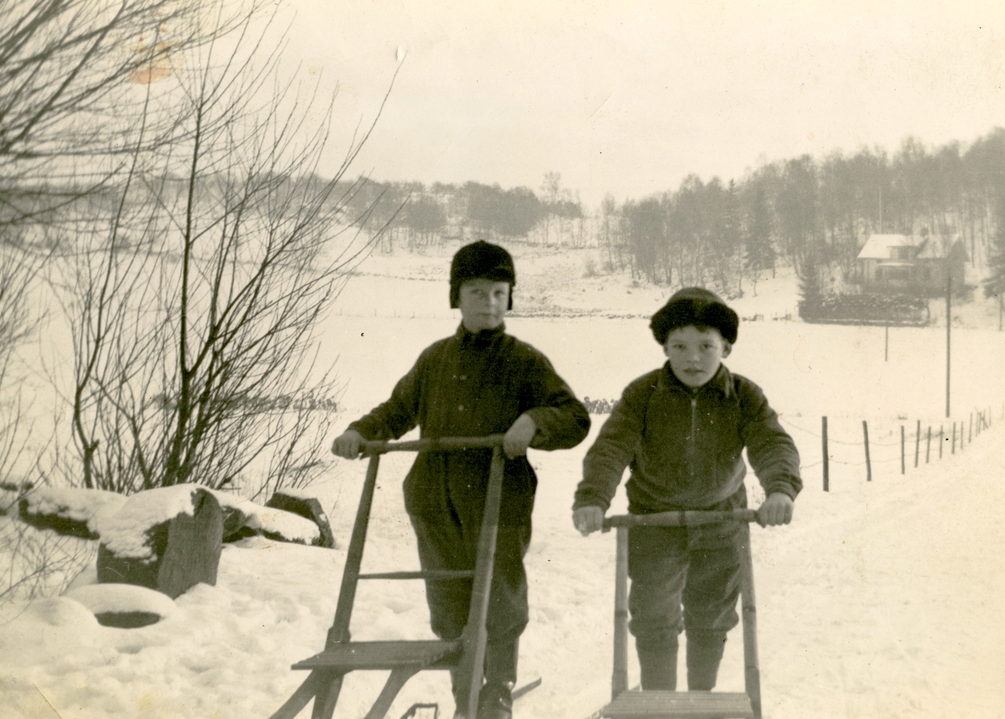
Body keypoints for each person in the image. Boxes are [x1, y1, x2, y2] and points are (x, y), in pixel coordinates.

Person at [331, 240, 591, 719]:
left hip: (499, 500)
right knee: (448, 601)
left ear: (509, 297)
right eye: (476, 292)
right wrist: (360, 432)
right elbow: (399, 410)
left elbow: (574, 417)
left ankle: (497, 691)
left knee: (500, 597)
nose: (488, 303)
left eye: (498, 292)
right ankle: (462, 695)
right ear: (456, 296)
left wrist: (534, 421)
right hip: (433, 498)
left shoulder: (525, 361)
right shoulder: (435, 359)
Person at [572, 287, 801, 693]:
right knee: (654, 613)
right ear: (664, 347)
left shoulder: (744, 395)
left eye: (705, 346)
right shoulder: (642, 395)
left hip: (722, 519)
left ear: (726, 348)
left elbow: (771, 442)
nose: (692, 358)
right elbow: (611, 447)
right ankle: (660, 702)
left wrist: (780, 488)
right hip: (654, 520)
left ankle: (701, 699)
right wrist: (593, 497)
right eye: (678, 346)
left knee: (711, 614)